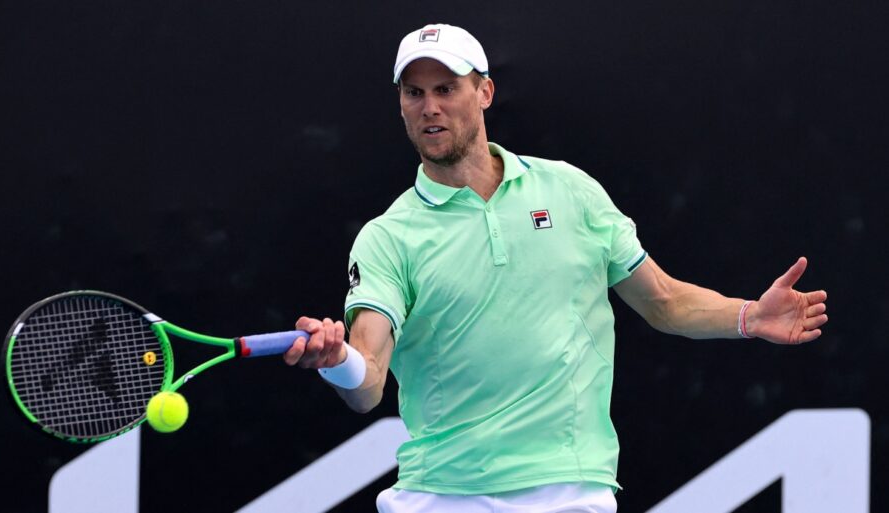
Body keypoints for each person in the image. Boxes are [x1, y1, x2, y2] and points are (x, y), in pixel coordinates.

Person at [282, 23, 828, 513]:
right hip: (440, 494)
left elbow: (663, 301)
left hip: (568, 488)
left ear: (485, 92)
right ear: (400, 104)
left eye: (446, 89)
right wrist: (338, 361)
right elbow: (368, 382)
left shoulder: (570, 190)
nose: (430, 107)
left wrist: (750, 315)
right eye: (414, 93)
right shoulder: (387, 238)